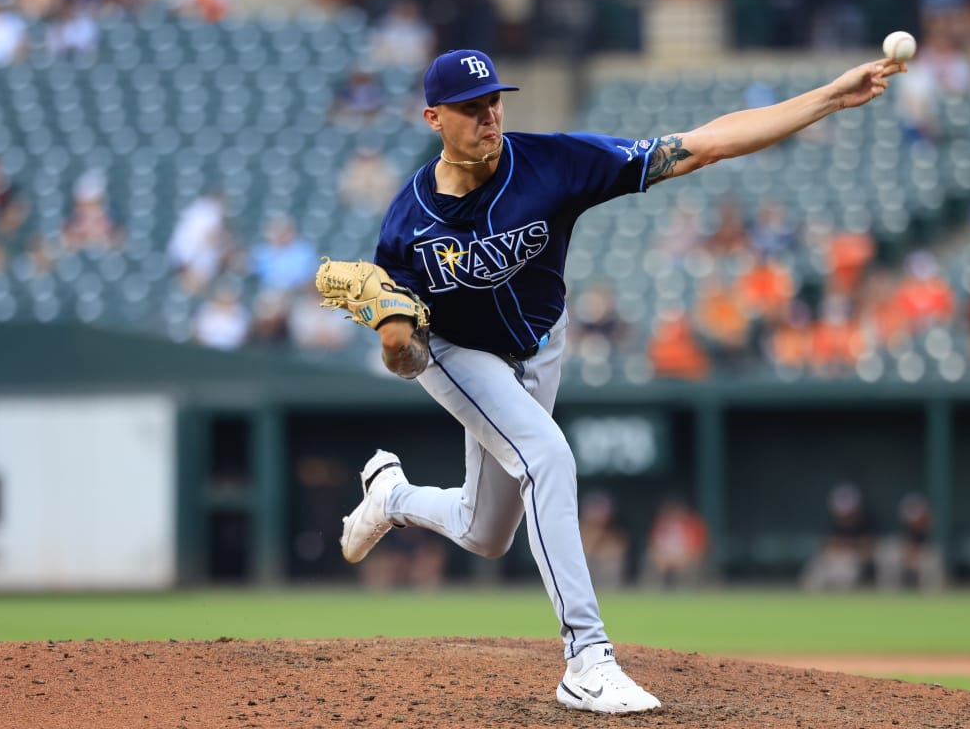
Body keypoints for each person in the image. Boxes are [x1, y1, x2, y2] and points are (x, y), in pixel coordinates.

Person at [331, 47, 901, 713]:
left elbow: (702, 146)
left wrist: (829, 96)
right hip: (458, 352)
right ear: (433, 117)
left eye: (494, 102)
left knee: (486, 533)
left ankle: (391, 496)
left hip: (541, 348)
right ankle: (587, 658)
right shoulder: (407, 224)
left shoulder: (552, 163)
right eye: (469, 109)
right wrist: (399, 348)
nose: (489, 117)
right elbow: (399, 344)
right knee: (547, 456)